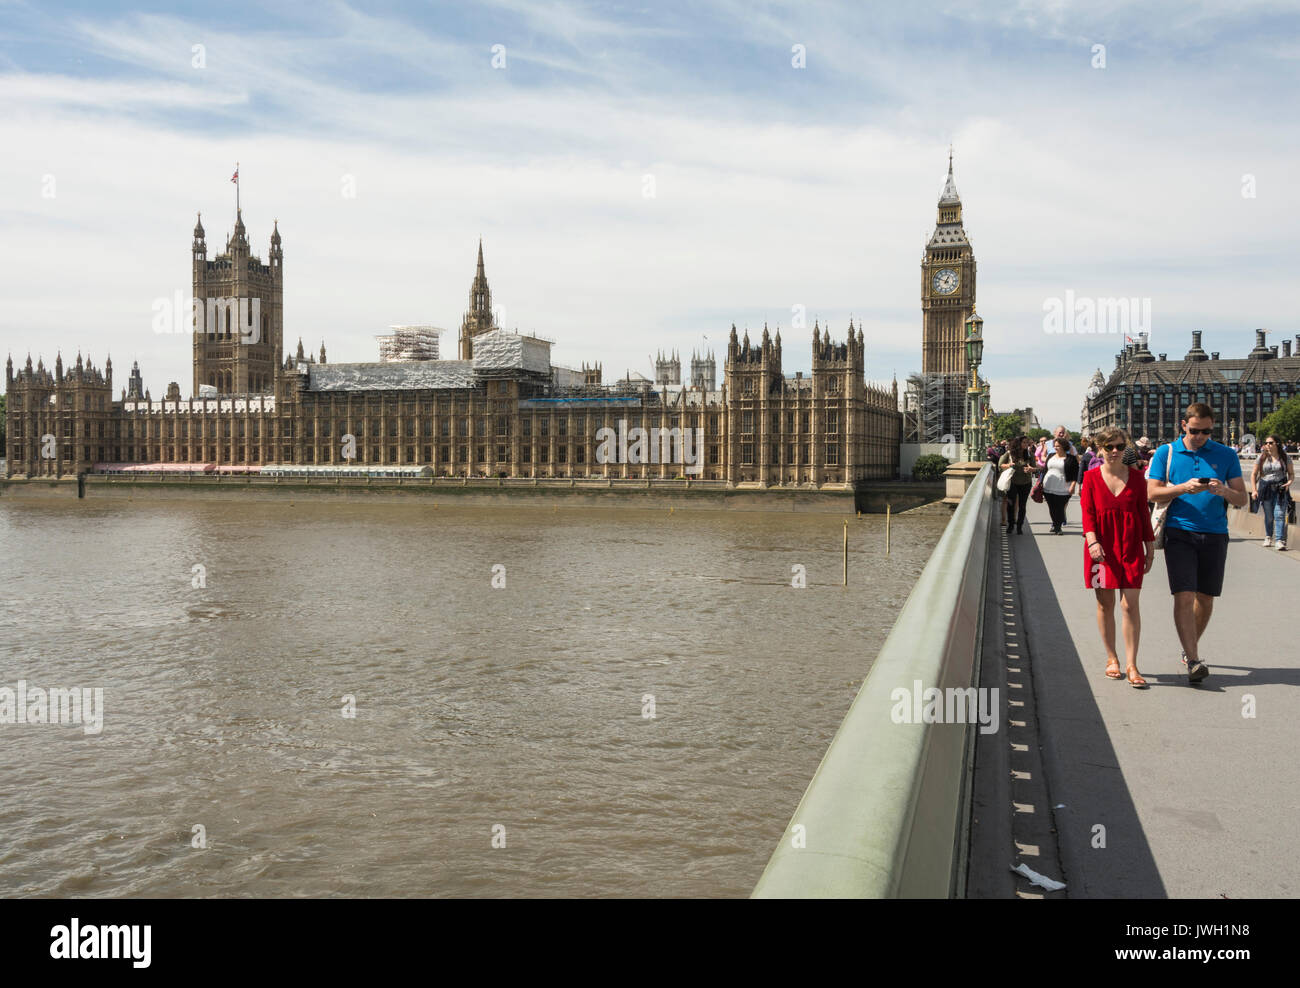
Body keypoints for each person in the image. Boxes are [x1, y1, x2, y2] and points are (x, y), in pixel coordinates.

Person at [1146, 403, 1248, 683]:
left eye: (1206, 432)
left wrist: (1223, 490)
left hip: (1215, 533)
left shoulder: (1225, 454)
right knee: (1184, 594)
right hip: (1180, 532)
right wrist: (1183, 488)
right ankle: (1193, 659)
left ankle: (1188, 647)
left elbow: (1243, 499)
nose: (1200, 436)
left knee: (1205, 597)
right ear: (1183, 425)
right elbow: (1153, 492)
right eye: (1195, 431)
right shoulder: (1166, 453)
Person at [1082, 427, 1156, 687]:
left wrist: (1151, 547)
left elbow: (1144, 515)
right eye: (1109, 447)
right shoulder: (1090, 478)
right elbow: (1088, 514)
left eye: (1119, 446)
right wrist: (1092, 542)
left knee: (1129, 605)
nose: (1115, 451)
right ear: (1100, 449)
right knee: (1105, 604)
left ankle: (1132, 664)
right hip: (1100, 550)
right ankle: (1112, 657)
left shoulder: (1137, 479)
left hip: (1131, 546)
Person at [1251, 434, 1295, 550]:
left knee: (1279, 514)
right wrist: (1254, 490)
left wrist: (1289, 483)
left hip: (1280, 489)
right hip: (1265, 489)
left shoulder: (1285, 457)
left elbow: (1291, 474)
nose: (1268, 445)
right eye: (1266, 443)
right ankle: (1268, 536)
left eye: (1271, 443)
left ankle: (1279, 540)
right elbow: (1254, 474)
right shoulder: (1261, 458)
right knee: (1269, 516)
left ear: (1277, 444)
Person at [1042, 437, 1079, 534]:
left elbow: (1075, 473)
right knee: (1052, 507)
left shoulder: (1071, 458)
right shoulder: (1050, 456)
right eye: (1054, 446)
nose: (1055, 448)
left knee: (1060, 507)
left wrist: (1073, 485)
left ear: (1063, 447)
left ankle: (1057, 526)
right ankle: (1056, 525)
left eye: (1058, 446)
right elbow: (1045, 469)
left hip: (1063, 486)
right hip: (1048, 485)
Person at [998, 436, 1035, 534]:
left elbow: (1035, 467)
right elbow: (1000, 465)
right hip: (1013, 482)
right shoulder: (1010, 453)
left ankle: (1019, 526)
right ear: (1018, 443)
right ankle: (1010, 525)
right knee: (1011, 504)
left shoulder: (1029, 454)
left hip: (1026, 482)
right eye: (1024, 442)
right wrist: (1009, 465)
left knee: (1022, 506)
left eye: (1027, 443)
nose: (1026, 445)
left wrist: (1031, 469)